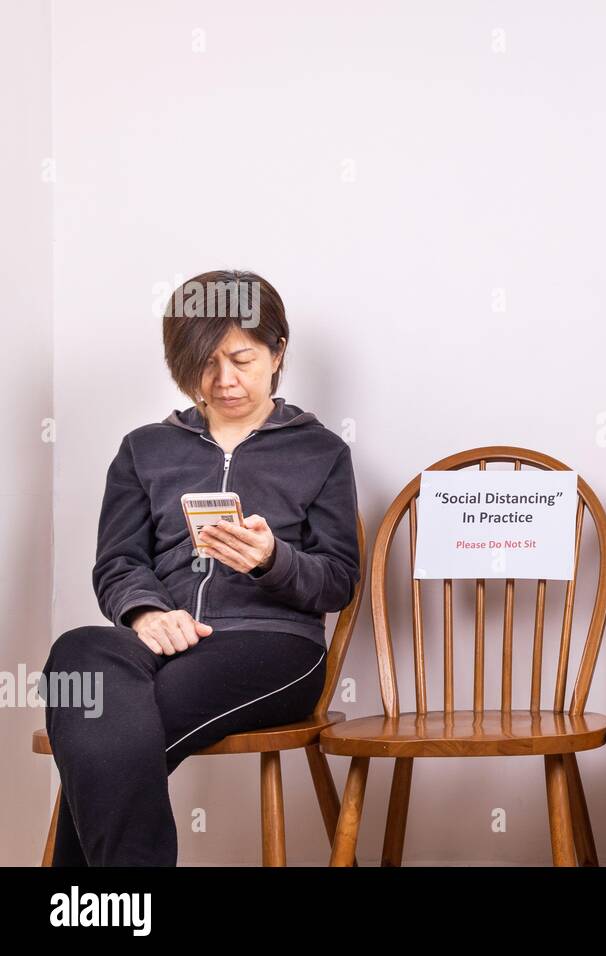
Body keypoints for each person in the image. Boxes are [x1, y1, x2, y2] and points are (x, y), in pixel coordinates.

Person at [41, 270, 361, 866]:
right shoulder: (145, 449)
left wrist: (274, 561)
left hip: (274, 646)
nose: (224, 380)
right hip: (164, 639)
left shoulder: (320, 451)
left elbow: (340, 579)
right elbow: (118, 561)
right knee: (81, 656)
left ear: (277, 352)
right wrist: (147, 612)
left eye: (241, 358)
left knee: (104, 724)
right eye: (205, 365)